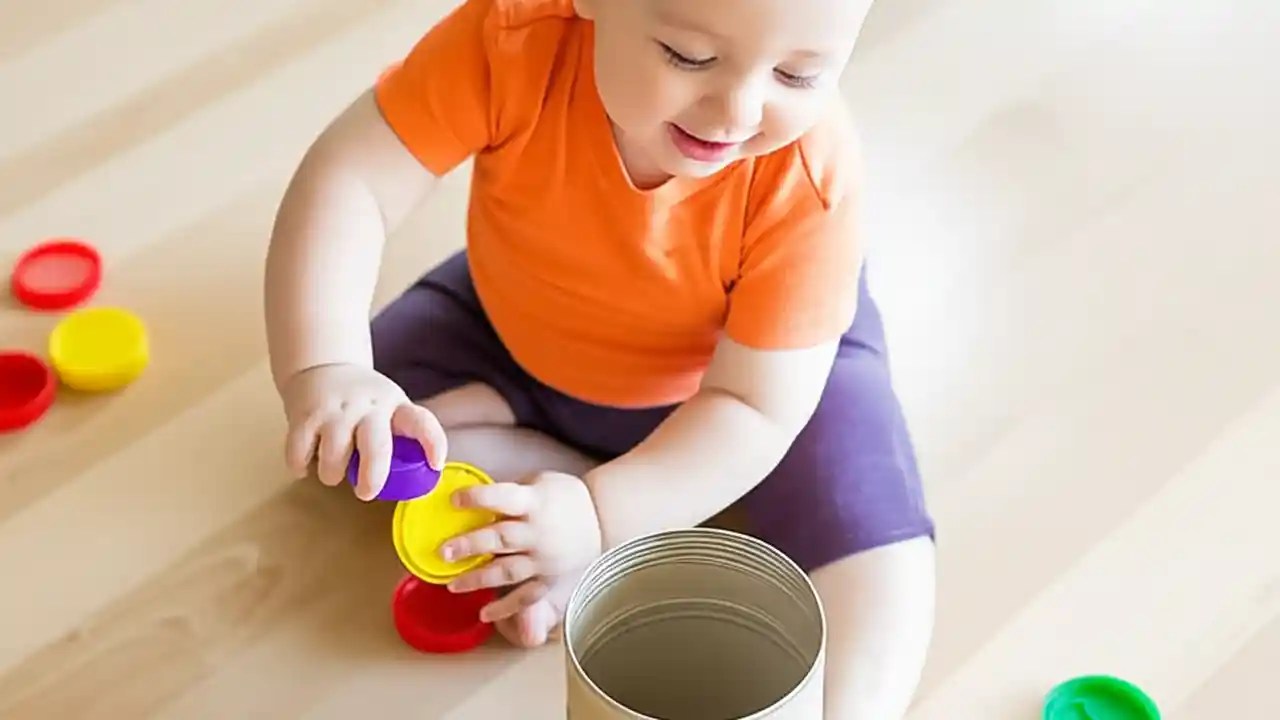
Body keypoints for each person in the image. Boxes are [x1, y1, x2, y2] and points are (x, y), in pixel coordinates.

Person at [264, 0, 936, 715]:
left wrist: (599, 514)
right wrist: (329, 368)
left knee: (872, 533)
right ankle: (590, 510)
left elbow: (755, 407)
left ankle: (850, 704)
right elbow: (353, 179)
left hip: (752, 375)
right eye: (689, 56)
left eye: (800, 75)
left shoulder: (810, 176)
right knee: (366, 441)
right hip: (520, 325)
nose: (736, 112)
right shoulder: (510, 40)